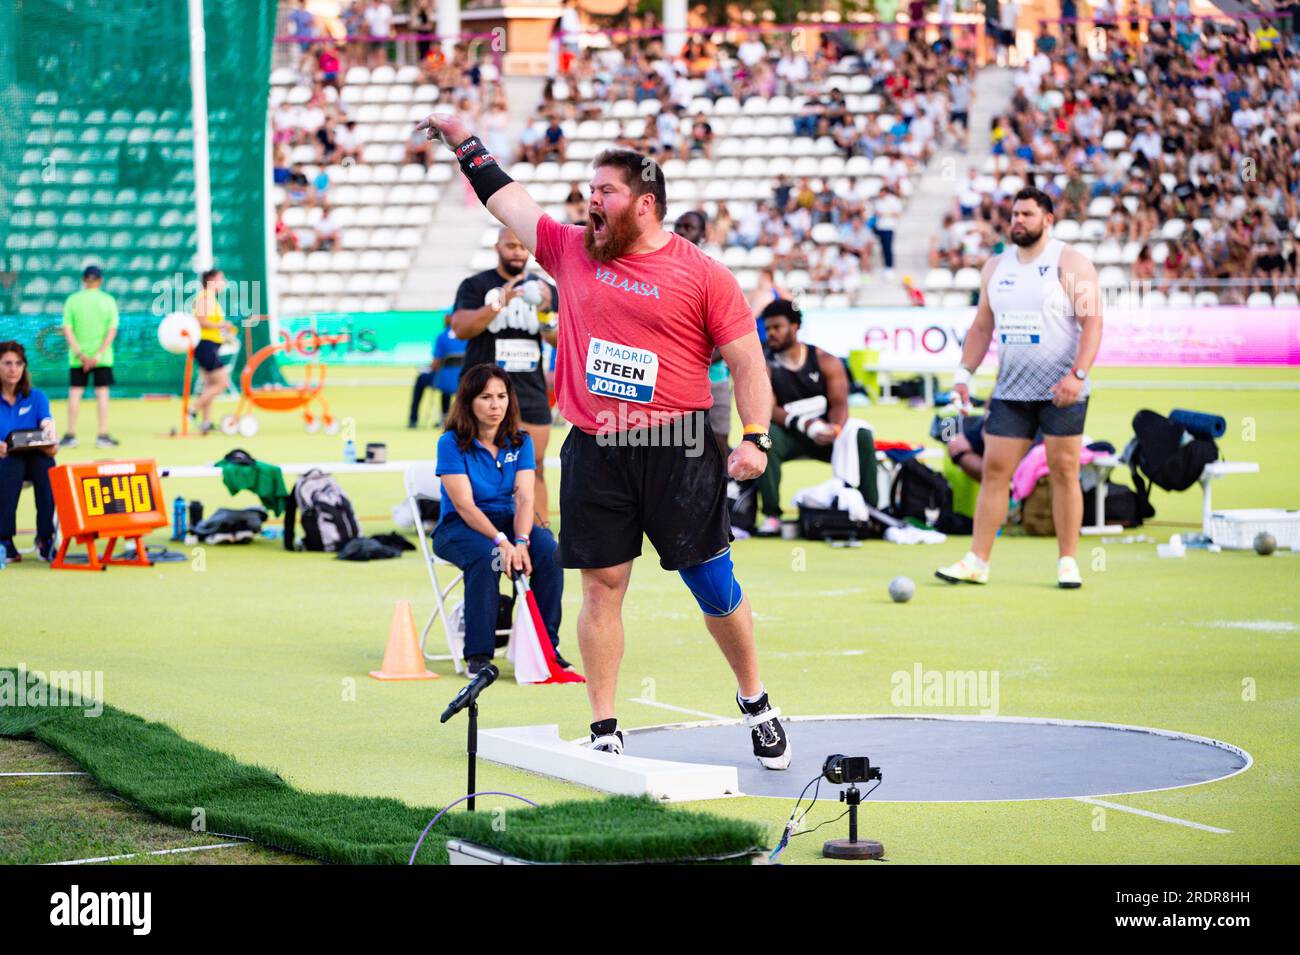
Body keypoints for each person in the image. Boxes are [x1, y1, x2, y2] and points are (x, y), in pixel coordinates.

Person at [416, 111, 791, 769]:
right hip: (595, 447)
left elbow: (747, 362)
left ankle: (755, 698)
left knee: (712, 584)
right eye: (590, 189)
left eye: (606, 191)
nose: (592, 200)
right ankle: (605, 724)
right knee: (602, 585)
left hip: (679, 448)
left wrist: (755, 436)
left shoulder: (703, 274)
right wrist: (463, 140)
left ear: (644, 205)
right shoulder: (569, 249)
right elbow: (508, 198)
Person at [937, 187, 1103, 589]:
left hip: (1061, 388)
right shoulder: (996, 266)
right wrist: (963, 376)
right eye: (1014, 214)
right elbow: (981, 327)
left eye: (1027, 214)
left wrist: (1077, 376)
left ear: (1047, 220)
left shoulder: (1070, 262)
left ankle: (1067, 562)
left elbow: (1093, 323)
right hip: (1011, 390)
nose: (1018, 221)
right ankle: (978, 561)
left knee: (1064, 471)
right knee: (995, 472)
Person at [433, 364, 566, 678]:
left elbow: (524, 498)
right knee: (488, 557)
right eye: (485, 397)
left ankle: (546, 647)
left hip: (508, 523)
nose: (495, 405)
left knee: (549, 550)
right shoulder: (450, 443)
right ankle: (479, 656)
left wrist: (521, 541)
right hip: (458, 527)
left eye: (501, 396)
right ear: (468, 402)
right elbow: (464, 505)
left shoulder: (520, 441)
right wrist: (502, 542)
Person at [449, 229, 559, 525]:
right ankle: (479, 532)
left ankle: (539, 537)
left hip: (530, 391)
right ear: (498, 247)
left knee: (534, 467)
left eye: (523, 247)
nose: (517, 252)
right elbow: (461, 329)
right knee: (476, 466)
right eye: (511, 246)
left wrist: (546, 312)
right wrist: (501, 301)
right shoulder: (476, 285)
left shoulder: (546, 289)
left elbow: (559, 340)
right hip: (483, 393)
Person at [753, 299, 878, 535]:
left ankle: (869, 511)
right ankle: (772, 515)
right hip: (790, 434)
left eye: (777, 327)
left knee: (861, 434)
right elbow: (768, 408)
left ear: (794, 326)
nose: (771, 334)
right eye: (767, 329)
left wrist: (835, 430)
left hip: (826, 434)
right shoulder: (765, 364)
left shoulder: (825, 360)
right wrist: (807, 425)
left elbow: (840, 406)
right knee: (763, 437)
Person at [675, 210, 731, 457]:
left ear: (703, 234)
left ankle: (733, 493)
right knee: (679, 452)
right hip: (674, 383)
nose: (683, 231)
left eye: (690, 227)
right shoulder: (663, 273)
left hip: (713, 380)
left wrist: (690, 364)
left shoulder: (713, 274)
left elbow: (726, 338)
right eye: (680, 226)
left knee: (718, 450)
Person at [0, 341, 58, 562]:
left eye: (18, 364)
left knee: (46, 465)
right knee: (12, 464)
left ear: (24, 367)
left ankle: (45, 537)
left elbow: (46, 422)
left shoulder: (37, 397)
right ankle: (4, 538)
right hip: (5, 461)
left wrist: (50, 432)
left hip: (35, 459)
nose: (13, 369)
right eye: (7, 363)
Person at [59, 265, 119, 449]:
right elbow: (112, 330)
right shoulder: (108, 300)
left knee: (75, 393)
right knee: (102, 394)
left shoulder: (73, 300)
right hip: (102, 358)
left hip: (78, 358)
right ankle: (102, 435)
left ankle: (70, 435)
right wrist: (98, 354)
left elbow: (67, 329)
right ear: (100, 280)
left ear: (84, 280)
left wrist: (80, 354)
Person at [192, 268, 237, 434]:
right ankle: (192, 410)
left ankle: (206, 422)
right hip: (205, 346)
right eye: (221, 279)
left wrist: (224, 332)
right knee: (222, 383)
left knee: (210, 385)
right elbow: (202, 321)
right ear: (211, 280)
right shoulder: (204, 297)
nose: (224, 282)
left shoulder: (210, 298)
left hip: (209, 345)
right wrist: (223, 325)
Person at [409, 322, 467, 428]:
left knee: (421, 379)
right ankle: (446, 417)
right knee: (447, 381)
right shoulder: (469, 334)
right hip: (462, 381)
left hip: (443, 381)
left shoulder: (442, 337)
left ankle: (413, 419)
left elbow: (435, 364)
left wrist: (426, 368)